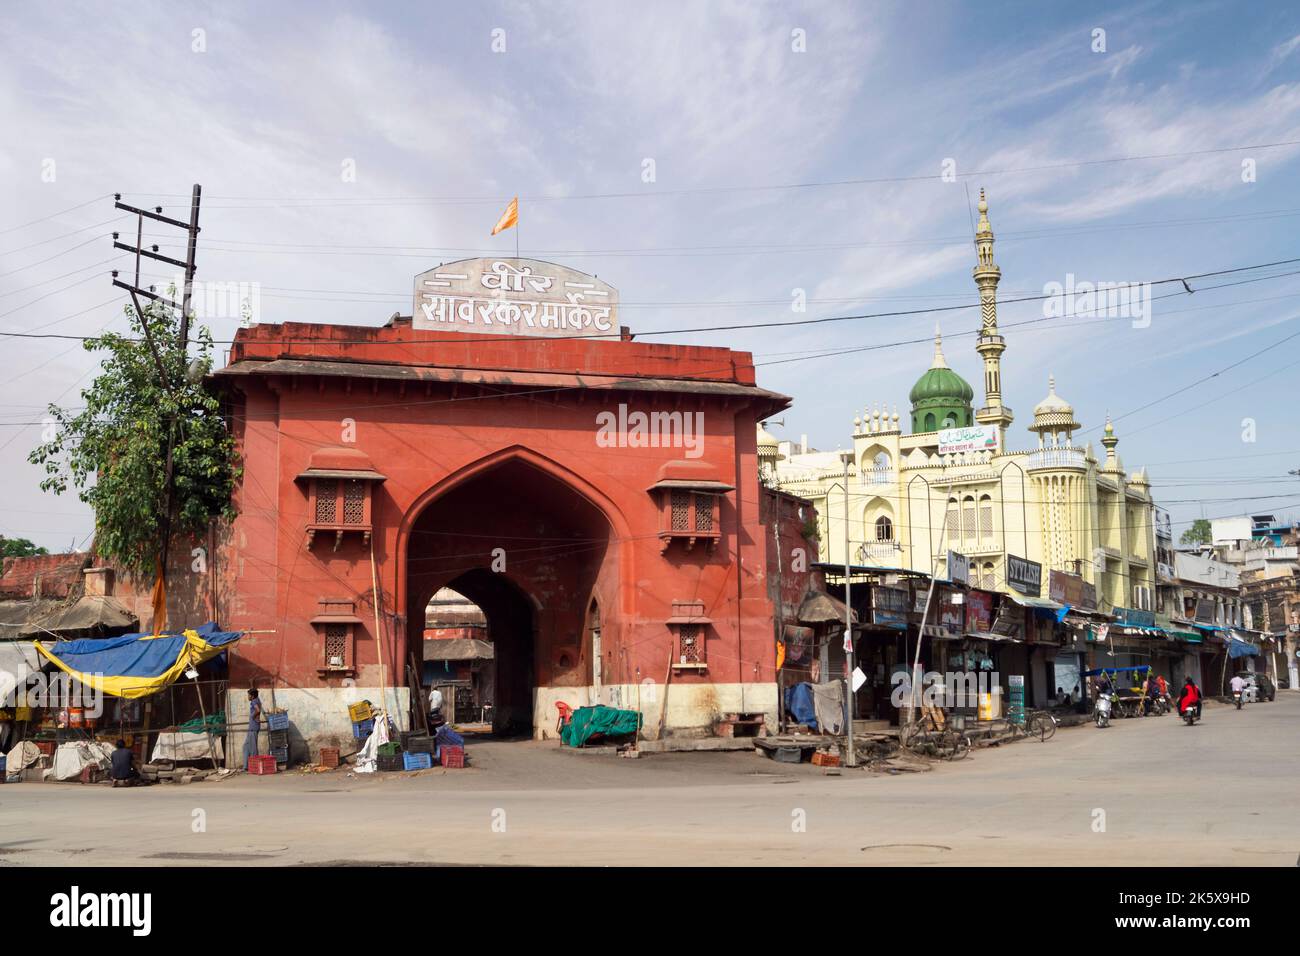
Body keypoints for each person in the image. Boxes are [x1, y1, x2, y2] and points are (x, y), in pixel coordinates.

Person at [244, 688, 265, 768]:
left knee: (253, 748)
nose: (248, 697)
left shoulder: (254, 701)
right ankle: (246, 766)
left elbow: (258, 710)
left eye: (249, 695)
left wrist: (252, 716)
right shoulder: (257, 700)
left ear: (252, 696)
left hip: (253, 727)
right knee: (246, 746)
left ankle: (255, 766)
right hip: (252, 727)